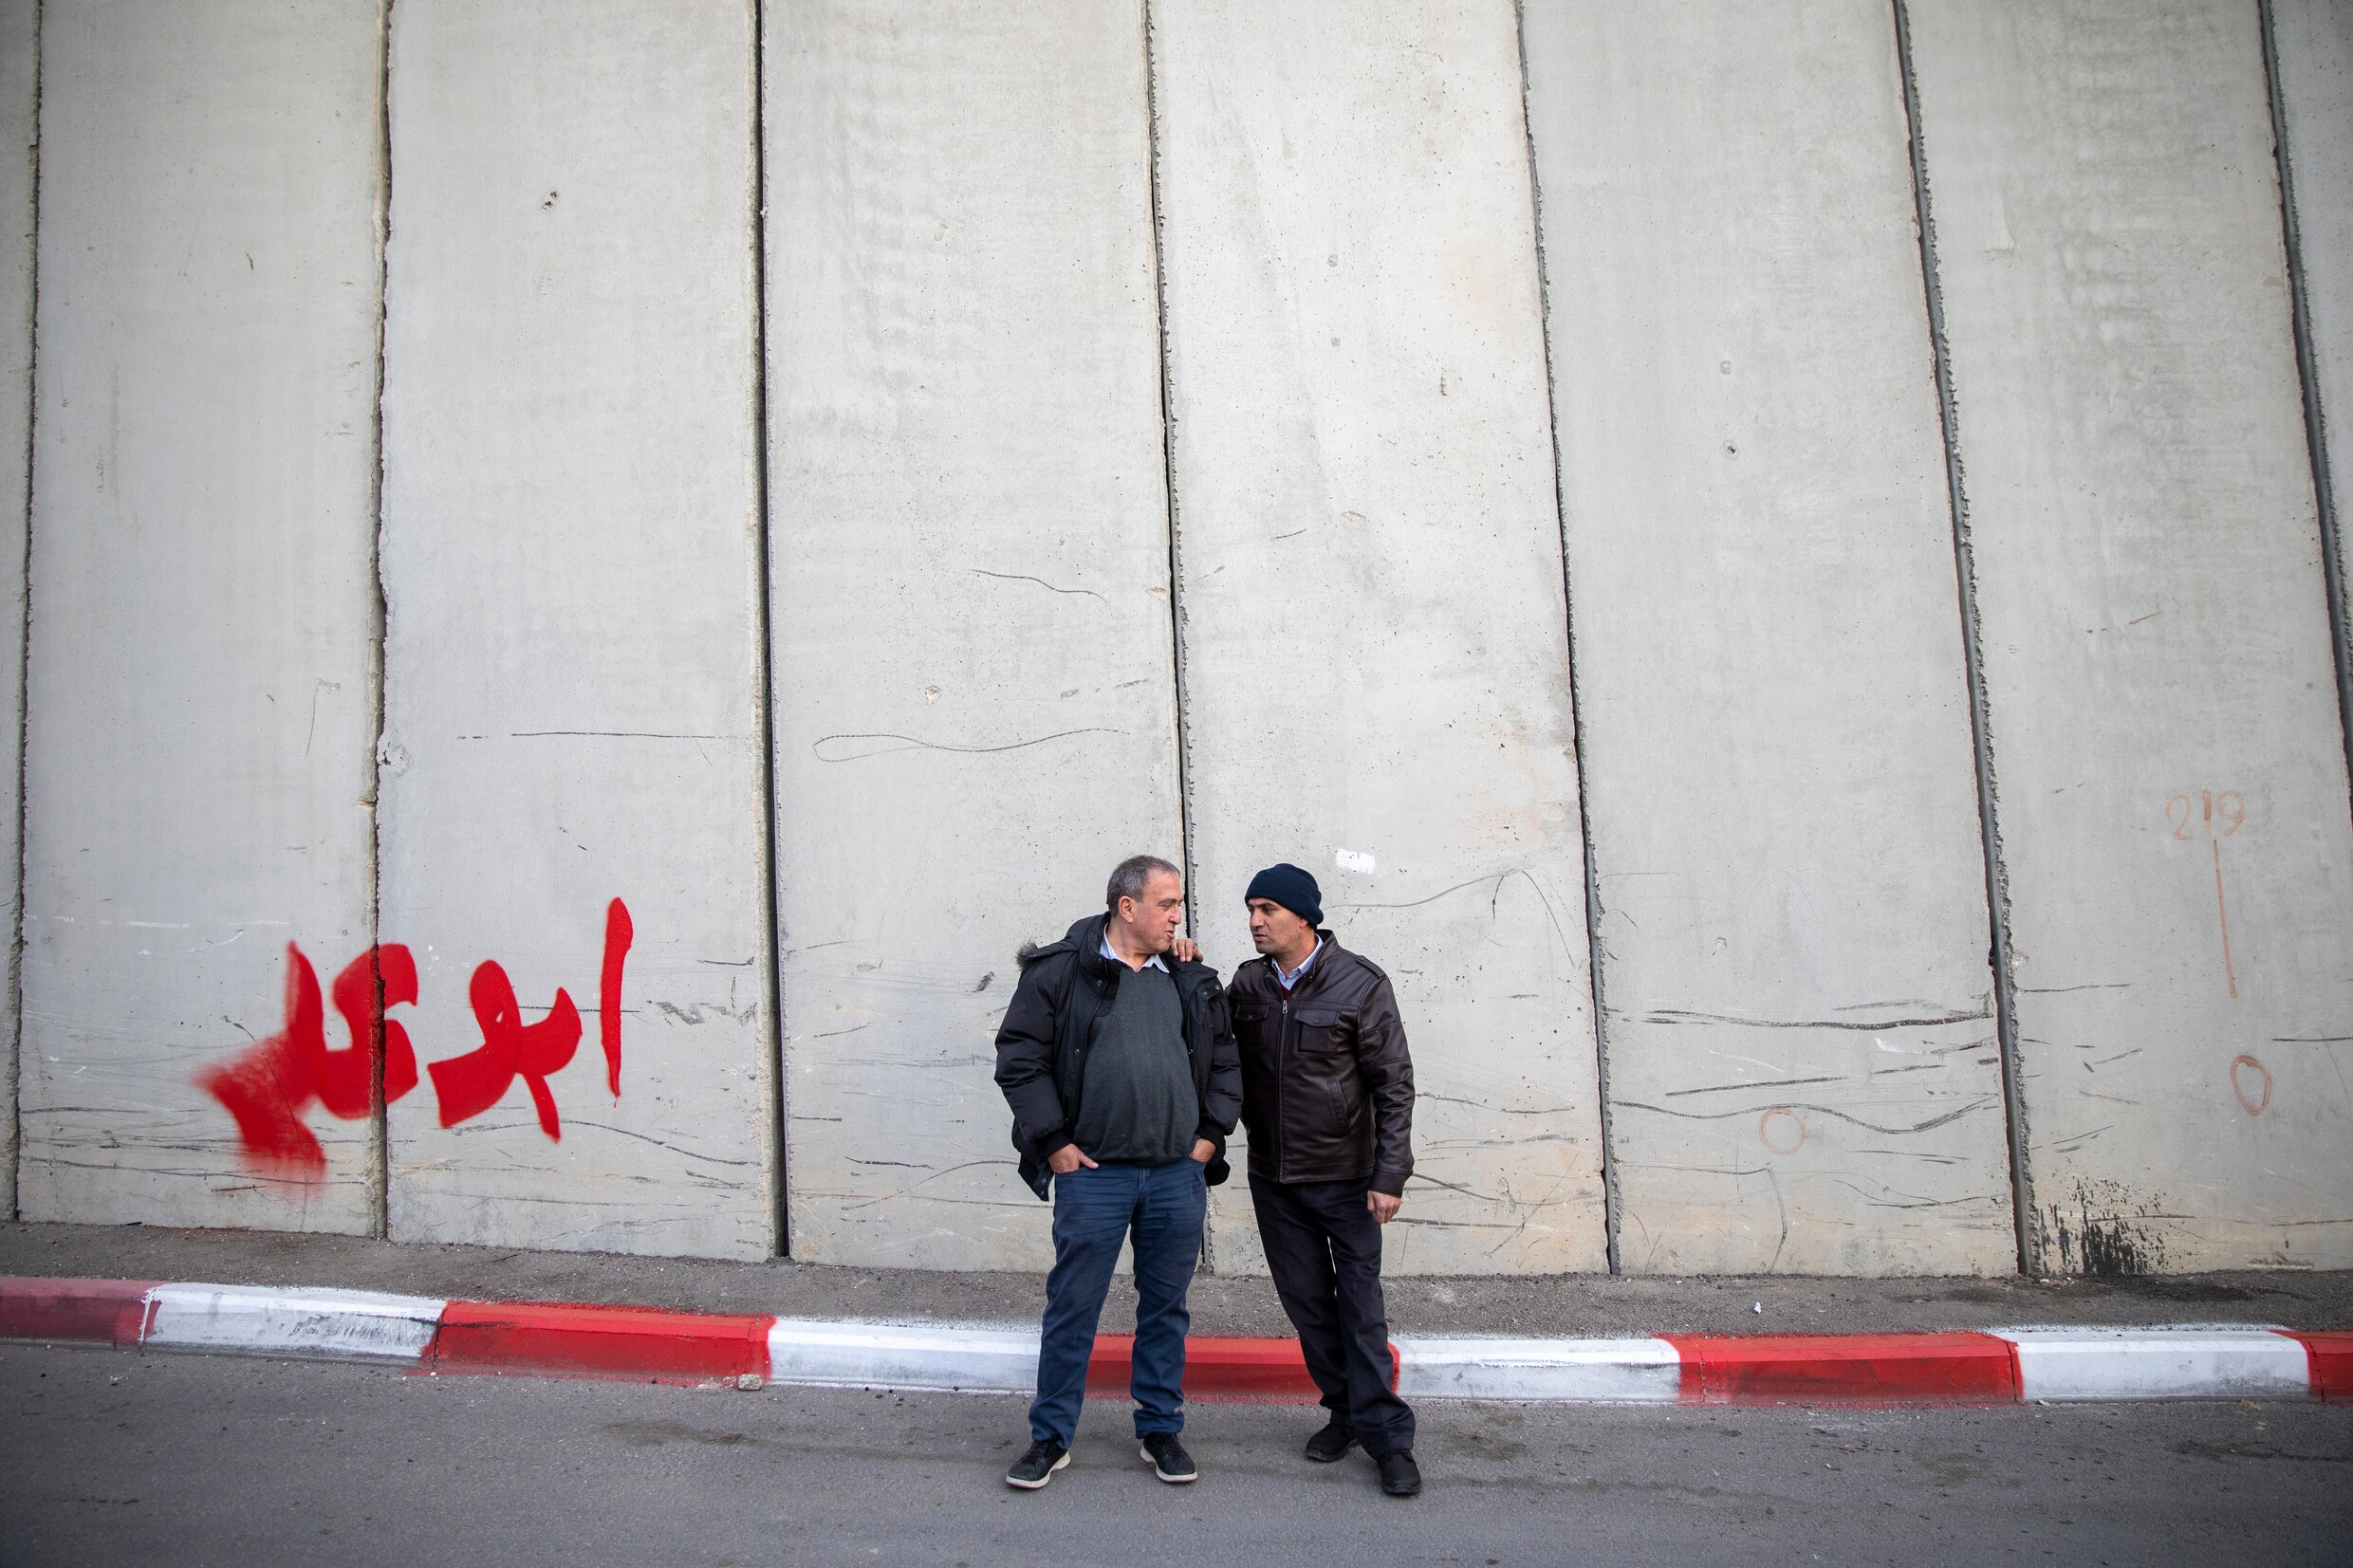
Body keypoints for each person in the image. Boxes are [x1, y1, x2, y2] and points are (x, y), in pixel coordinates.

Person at [991, 854, 1241, 1491]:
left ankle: (1160, 1427)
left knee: (1166, 1308)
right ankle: (1051, 1436)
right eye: (1165, 903)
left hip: (1173, 1176)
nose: (1176, 915)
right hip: (1093, 1174)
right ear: (1126, 906)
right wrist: (1052, 1142)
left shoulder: (1191, 977)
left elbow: (1224, 1062)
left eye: (1177, 904)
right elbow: (1020, 1058)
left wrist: (1210, 1137)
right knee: (1073, 1305)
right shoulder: (1061, 973)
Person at [1228, 862, 1421, 1497]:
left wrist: (1389, 1174)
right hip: (1275, 1180)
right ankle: (1345, 1411)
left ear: (1303, 916)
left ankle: (1389, 1438)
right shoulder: (1248, 985)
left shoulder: (1360, 983)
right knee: (1309, 1306)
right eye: (1251, 908)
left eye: (1268, 909)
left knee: (1360, 1309)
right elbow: (1216, 1054)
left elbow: (1394, 1084)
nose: (1256, 921)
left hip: (1348, 1179)